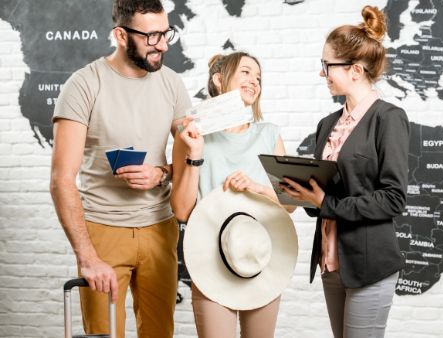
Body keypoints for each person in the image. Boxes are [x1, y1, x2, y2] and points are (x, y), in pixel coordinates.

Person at [49, 0, 191, 337]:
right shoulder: (83, 85)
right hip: (102, 233)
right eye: (152, 36)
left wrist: (162, 172)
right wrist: (87, 256)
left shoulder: (172, 84)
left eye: (166, 33)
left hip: (160, 229)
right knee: (103, 333)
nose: (163, 44)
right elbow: (61, 180)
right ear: (120, 35)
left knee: (160, 332)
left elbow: (192, 157)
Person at [279, 5, 410, 338]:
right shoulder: (328, 125)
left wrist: (326, 204)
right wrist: (302, 192)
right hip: (331, 262)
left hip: (369, 265)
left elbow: (393, 199)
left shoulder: (388, 118)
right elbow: (324, 195)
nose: (322, 74)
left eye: (327, 66)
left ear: (355, 70)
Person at [170, 51, 294, 338]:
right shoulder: (189, 136)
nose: (254, 82)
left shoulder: (269, 135)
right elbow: (181, 210)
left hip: (258, 257)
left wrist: (257, 187)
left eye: (259, 77)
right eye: (246, 73)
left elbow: (290, 205)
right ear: (218, 79)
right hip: (212, 260)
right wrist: (196, 155)